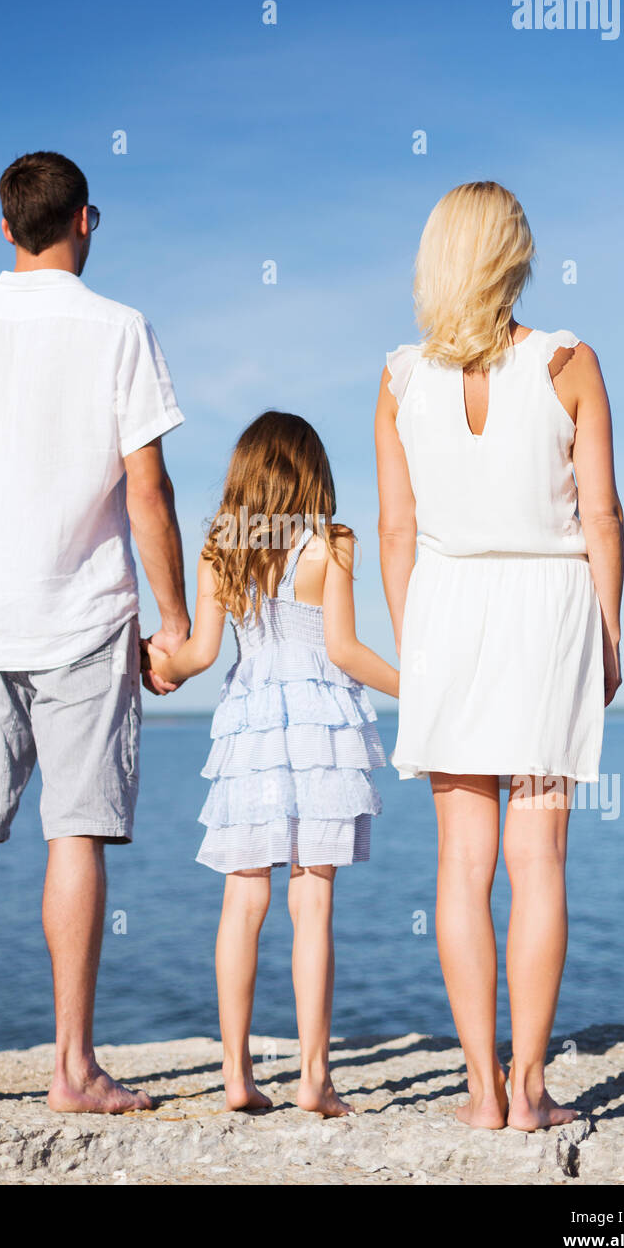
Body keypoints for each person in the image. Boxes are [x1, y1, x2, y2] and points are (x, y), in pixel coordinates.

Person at [0, 150, 189, 1113]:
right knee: (76, 834)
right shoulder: (119, 330)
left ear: (3, 229)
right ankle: (72, 1069)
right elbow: (146, 489)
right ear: (85, 221)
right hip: (88, 622)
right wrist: (177, 621)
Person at [375, 181, 624, 1131]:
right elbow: (600, 515)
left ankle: (478, 1090)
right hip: (549, 610)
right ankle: (529, 1090)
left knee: (459, 864)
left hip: (446, 610)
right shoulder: (568, 362)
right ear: (513, 256)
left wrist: (417, 639)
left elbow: (397, 533)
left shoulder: (399, 380)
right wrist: (610, 630)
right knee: (541, 861)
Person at [148, 412, 398, 1116]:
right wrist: (419, 687)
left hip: (250, 729)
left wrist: (154, 663)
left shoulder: (220, 546)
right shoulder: (333, 543)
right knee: (311, 900)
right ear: (310, 471)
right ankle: (314, 1081)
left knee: (243, 898)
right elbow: (345, 651)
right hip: (320, 731)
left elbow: (198, 655)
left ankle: (236, 1077)